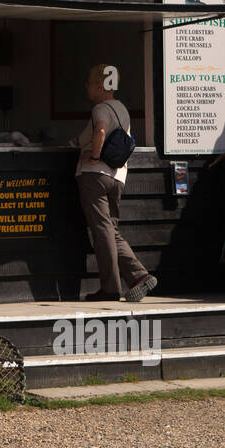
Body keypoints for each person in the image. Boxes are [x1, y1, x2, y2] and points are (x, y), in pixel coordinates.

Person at [73, 63, 158, 303]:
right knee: (111, 230)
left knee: (102, 232)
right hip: (118, 177)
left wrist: (94, 156)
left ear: (100, 86)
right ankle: (140, 276)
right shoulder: (122, 109)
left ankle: (110, 288)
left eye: (89, 84)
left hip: (95, 176)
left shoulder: (100, 108)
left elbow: (100, 132)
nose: (87, 89)